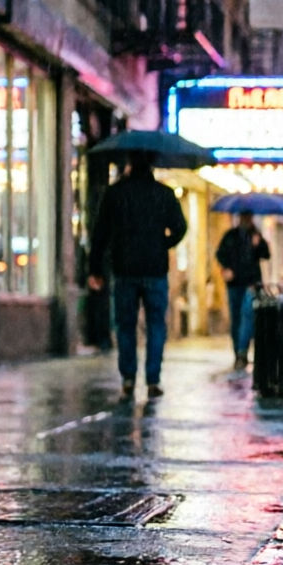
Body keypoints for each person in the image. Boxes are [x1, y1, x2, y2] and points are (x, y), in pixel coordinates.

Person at [88, 152, 187, 400]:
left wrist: (95, 269)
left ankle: (128, 379)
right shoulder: (164, 194)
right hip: (155, 269)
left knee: (125, 325)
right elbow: (180, 227)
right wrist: (162, 243)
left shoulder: (115, 194)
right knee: (156, 324)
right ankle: (153, 379)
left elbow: (99, 233)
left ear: (129, 164)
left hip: (124, 269)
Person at [215, 210, 271, 371]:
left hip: (251, 284)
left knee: (247, 316)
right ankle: (238, 353)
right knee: (236, 319)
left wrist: (258, 244)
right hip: (234, 284)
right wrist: (226, 269)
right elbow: (220, 254)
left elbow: (266, 254)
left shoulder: (256, 235)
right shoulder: (231, 236)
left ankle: (242, 352)